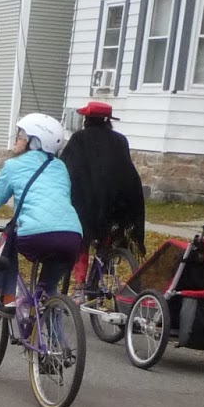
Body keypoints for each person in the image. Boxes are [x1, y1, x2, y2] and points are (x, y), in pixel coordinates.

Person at [0, 113, 83, 316]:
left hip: (35, 237)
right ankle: (51, 329)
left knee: (10, 234)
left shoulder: (13, 166)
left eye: (19, 137)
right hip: (72, 237)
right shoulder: (60, 167)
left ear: (33, 142)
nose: (15, 141)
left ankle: (8, 299)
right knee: (47, 291)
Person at [61, 100, 146, 285]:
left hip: (86, 202)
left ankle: (79, 284)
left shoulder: (79, 139)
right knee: (107, 234)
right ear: (108, 120)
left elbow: (67, 167)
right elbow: (126, 171)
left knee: (82, 241)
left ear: (87, 119)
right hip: (116, 204)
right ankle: (102, 267)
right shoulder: (120, 140)